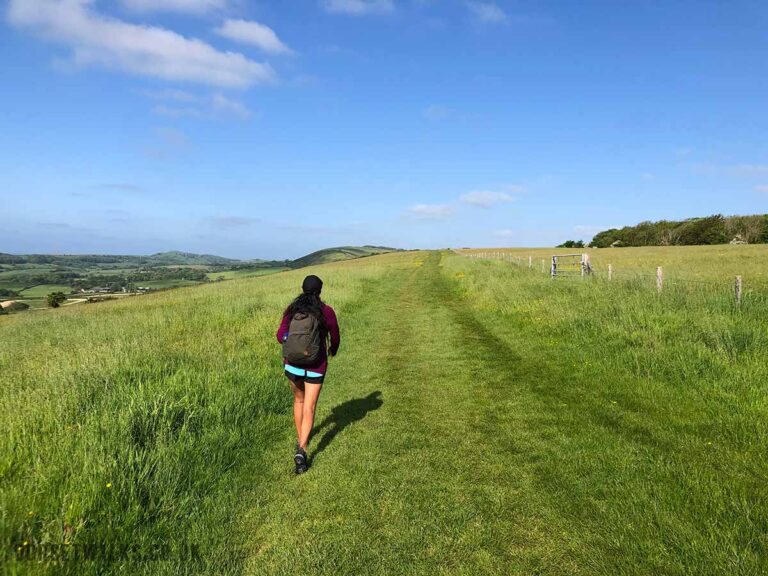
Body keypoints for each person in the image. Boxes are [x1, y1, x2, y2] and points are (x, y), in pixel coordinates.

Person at [276, 274, 340, 474]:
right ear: (320, 291)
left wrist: (293, 342)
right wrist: (333, 349)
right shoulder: (326, 311)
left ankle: (300, 442)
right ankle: (302, 449)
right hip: (316, 364)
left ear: (302, 289)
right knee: (310, 407)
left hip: (292, 364)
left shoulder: (292, 310)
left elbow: (280, 336)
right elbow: (335, 335)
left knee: (299, 402)